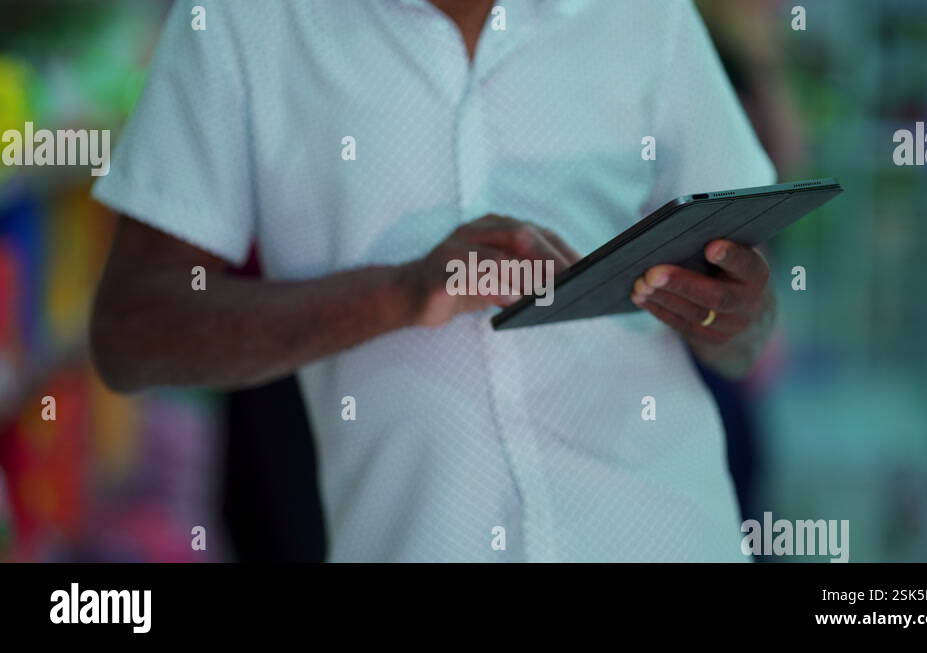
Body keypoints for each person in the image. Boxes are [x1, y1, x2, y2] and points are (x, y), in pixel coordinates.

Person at [90, 0, 777, 562]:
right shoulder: (245, 22)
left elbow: (742, 326)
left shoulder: (644, 15)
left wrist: (732, 316)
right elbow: (132, 329)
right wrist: (399, 293)